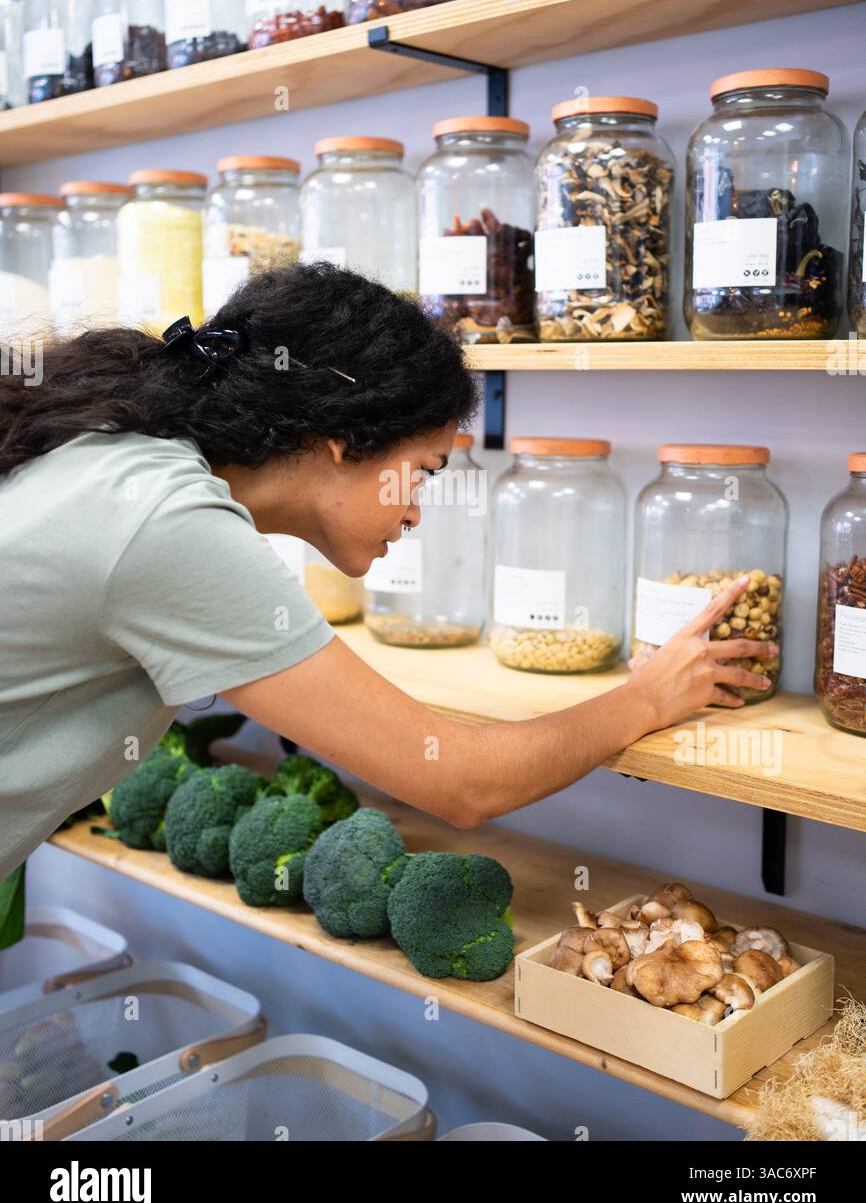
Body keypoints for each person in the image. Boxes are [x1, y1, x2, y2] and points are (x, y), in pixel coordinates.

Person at [0, 264, 776, 886]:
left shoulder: (121, 455)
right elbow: (463, 784)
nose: (418, 511)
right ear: (345, 438)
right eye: (426, 470)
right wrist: (647, 695)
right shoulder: (166, 522)